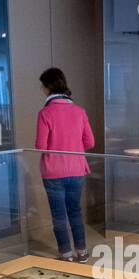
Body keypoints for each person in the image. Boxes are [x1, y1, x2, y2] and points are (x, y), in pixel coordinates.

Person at [35, 67, 94, 262]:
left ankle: (66, 254)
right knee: (75, 212)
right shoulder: (80, 111)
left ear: (47, 87)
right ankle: (82, 252)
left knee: (59, 215)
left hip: (53, 172)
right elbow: (90, 142)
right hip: (77, 169)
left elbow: (40, 146)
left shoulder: (45, 113)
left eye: (43, 86)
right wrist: (74, 146)